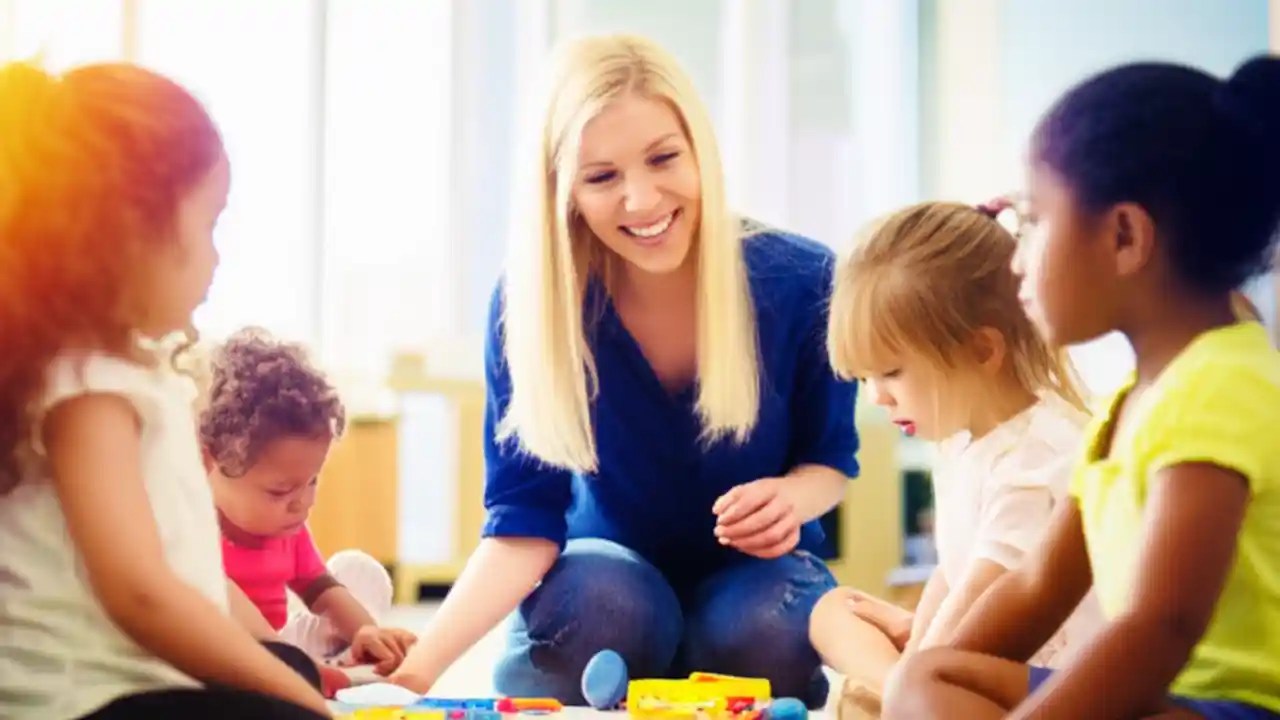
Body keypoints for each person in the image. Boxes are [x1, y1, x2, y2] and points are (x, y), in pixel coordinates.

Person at [391, 34, 858, 707]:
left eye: (664, 158)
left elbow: (830, 460)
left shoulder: (805, 280)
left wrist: (793, 498)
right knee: (606, 612)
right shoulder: (533, 305)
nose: (641, 200)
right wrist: (414, 672)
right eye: (602, 177)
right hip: (605, 582)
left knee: (763, 632)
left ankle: (673, 676)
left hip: (757, 580)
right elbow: (522, 520)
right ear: (564, 192)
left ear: (699, 149)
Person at [883, 55, 1280, 720]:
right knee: (930, 679)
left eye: (1034, 221)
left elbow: (1160, 628)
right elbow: (1038, 586)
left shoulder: (1222, 384)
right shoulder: (1127, 402)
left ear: (1124, 236)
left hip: (1230, 709)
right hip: (1160, 700)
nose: (1017, 260)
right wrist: (926, 681)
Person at [0, 61, 330, 718]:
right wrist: (307, 705)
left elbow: (190, 577)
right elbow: (141, 593)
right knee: (288, 697)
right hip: (86, 699)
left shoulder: (121, 372)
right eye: (209, 225)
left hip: (131, 681)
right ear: (132, 236)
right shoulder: (89, 385)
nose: (216, 256)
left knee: (287, 667)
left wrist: (287, 676)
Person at [809, 201, 1103, 715]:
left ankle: (890, 695)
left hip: (1045, 680)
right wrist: (916, 659)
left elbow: (985, 599)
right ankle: (893, 692)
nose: (877, 397)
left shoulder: (1038, 457)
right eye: (866, 378)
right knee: (832, 610)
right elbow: (951, 574)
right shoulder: (961, 442)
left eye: (891, 373)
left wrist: (921, 667)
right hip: (971, 651)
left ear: (983, 350)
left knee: (921, 681)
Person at [200, 328, 416, 675]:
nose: (303, 503)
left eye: (311, 481)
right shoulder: (195, 527)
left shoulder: (288, 526)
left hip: (282, 643)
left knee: (358, 571)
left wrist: (366, 630)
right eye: (279, 491)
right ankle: (311, 669)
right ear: (209, 462)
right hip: (224, 650)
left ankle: (342, 659)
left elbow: (321, 590)